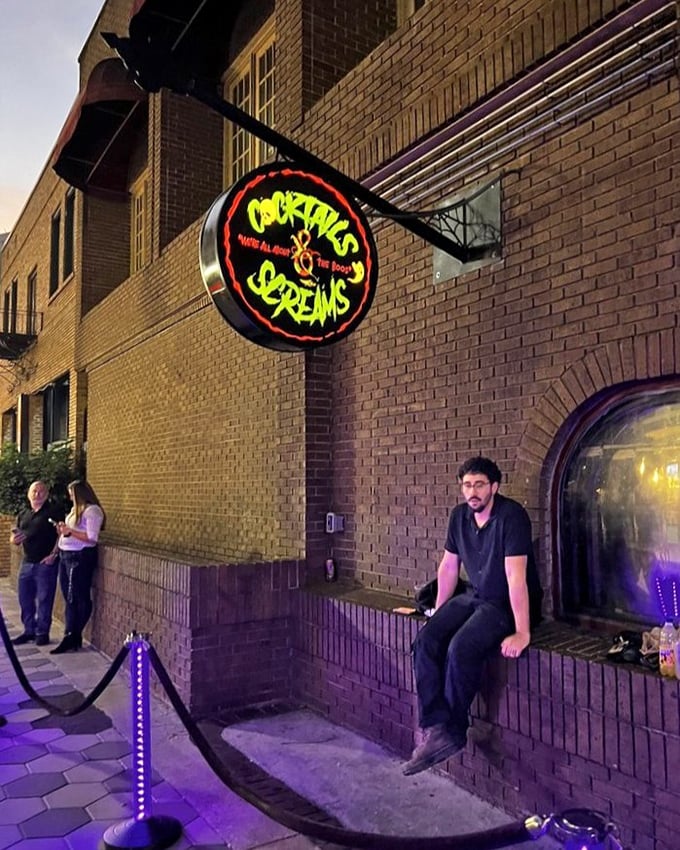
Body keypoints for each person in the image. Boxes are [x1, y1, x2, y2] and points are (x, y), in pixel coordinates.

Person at [403, 456, 543, 776]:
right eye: (467, 485)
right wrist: (439, 612)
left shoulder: (512, 517)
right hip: (475, 596)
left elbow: (515, 577)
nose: (472, 492)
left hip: (504, 603)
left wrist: (522, 632)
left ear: (494, 486)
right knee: (427, 639)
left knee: (460, 648)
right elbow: (449, 567)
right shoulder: (459, 516)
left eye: (479, 484)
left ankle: (453, 731)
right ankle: (436, 725)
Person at [50, 480, 106, 655]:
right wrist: (63, 531)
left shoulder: (92, 511)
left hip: (79, 556)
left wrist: (70, 531)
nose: (70, 496)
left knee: (77, 597)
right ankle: (72, 635)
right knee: (69, 596)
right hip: (66, 554)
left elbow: (92, 537)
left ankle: (72, 635)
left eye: (72, 493)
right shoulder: (75, 510)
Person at [10, 481, 62, 646]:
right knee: (25, 599)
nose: (37, 494)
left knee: (44, 599)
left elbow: (61, 534)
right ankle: (29, 631)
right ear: (28, 494)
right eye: (34, 491)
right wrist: (14, 539)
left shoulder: (53, 512)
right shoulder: (24, 514)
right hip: (27, 562)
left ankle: (42, 633)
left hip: (45, 563)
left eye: (40, 491)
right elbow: (16, 535)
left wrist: (54, 554)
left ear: (46, 494)